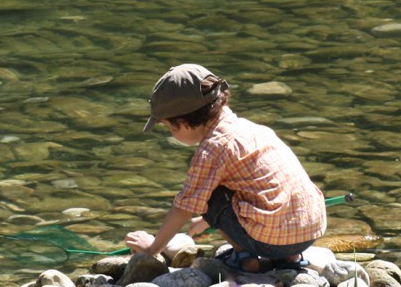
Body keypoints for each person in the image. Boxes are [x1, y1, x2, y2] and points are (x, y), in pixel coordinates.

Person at [125, 63, 327, 273]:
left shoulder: (213, 148)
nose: (170, 132)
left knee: (206, 190)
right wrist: (206, 221)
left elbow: (184, 207)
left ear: (183, 122)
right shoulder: (253, 129)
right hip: (309, 232)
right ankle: (290, 257)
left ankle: (244, 257)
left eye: (168, 127)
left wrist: (152, 248)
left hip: (270, 243)